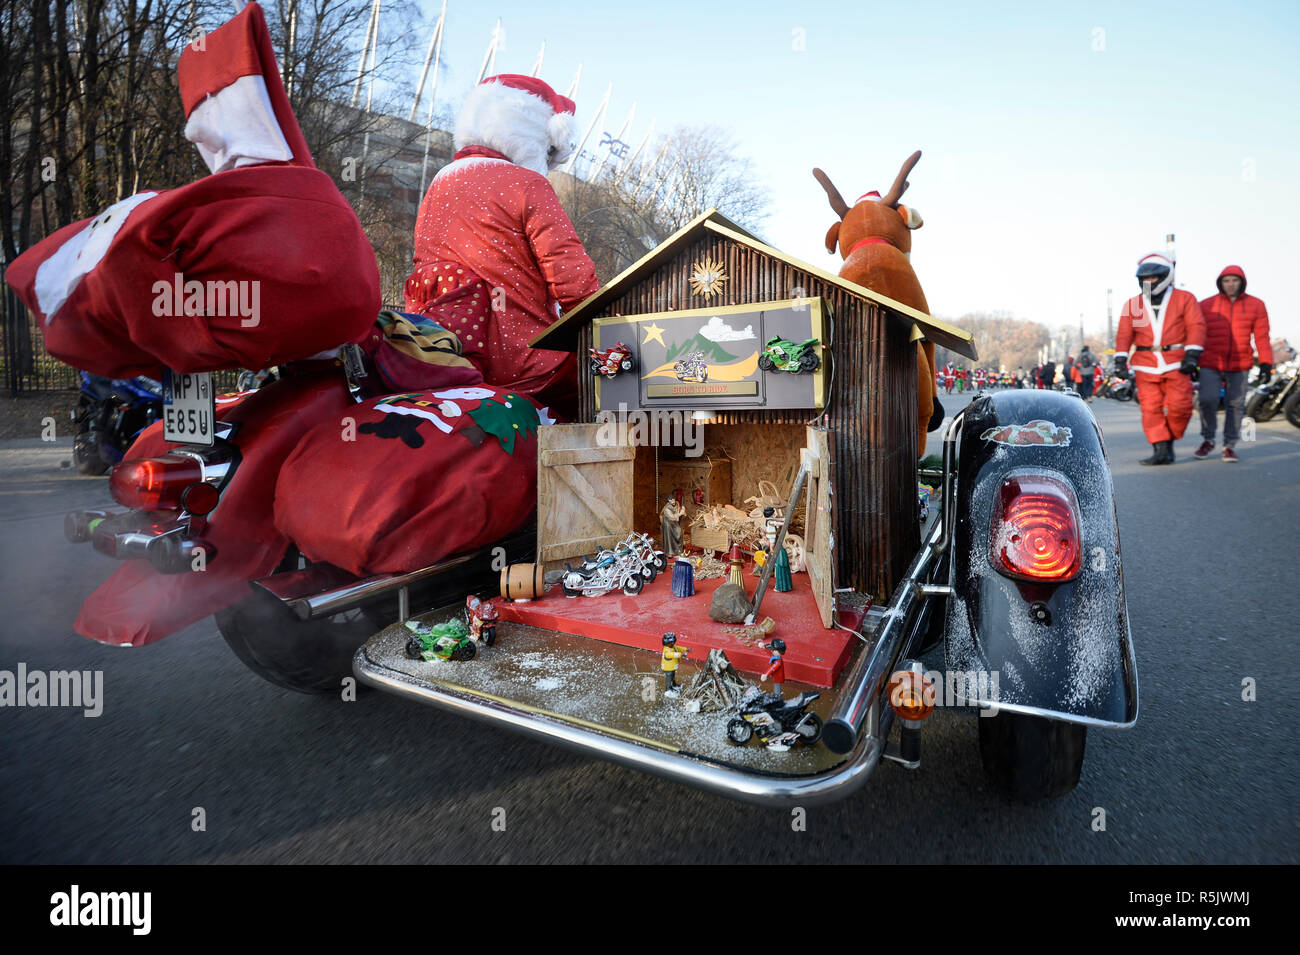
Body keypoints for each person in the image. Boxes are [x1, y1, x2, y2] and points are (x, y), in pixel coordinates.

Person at [405, 74, 601, 419]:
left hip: (449, 354)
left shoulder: (439, 182)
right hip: (530, 365)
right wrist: (610, 330)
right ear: (532, 137)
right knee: (614, 392)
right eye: (548, 151)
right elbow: (573, 279)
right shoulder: (527, 183)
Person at [1114, 251, 1206, 465]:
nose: (1149, 282)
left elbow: (1196, 326)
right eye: (1145, 278)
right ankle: (1161, 449)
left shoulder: (1184, 298)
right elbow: (1126, 334)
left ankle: (1168, 438)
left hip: (1177, 361)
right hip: (1145, 364)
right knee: (1150, 408)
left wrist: (1192, 354)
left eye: (1153, 278)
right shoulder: (1135, 304)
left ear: (1165, 276)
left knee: (1180, 406)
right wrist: (1120, 359)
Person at [1193, 266, 1271, 462]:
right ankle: (1208, 439)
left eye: (1235, 280)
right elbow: (1196, 334)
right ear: (1220, 282)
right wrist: (1192, 359)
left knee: (1235, 405)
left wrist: (1266, 363)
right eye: (1226, 281)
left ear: (1242, 282)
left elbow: (1262, 336)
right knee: (1207, 400)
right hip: (1210, 362)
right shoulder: (1206, 305)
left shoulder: (1256, 305)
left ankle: (1229, 445)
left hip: (1240, 364)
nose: (1230, 284)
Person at [661, 632, 691, 697]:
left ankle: (674, 685)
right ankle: (668, 689)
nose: (673, 644)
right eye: (671, 643)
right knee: (669, 678)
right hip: (667, 668)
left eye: (673, 642)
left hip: (672, 667)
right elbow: (672, 655)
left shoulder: (673, 647)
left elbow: (678, 648)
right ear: (667, 643)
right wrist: (681, 654)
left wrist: (685, 649)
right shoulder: (667, 650)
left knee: (673, 677)